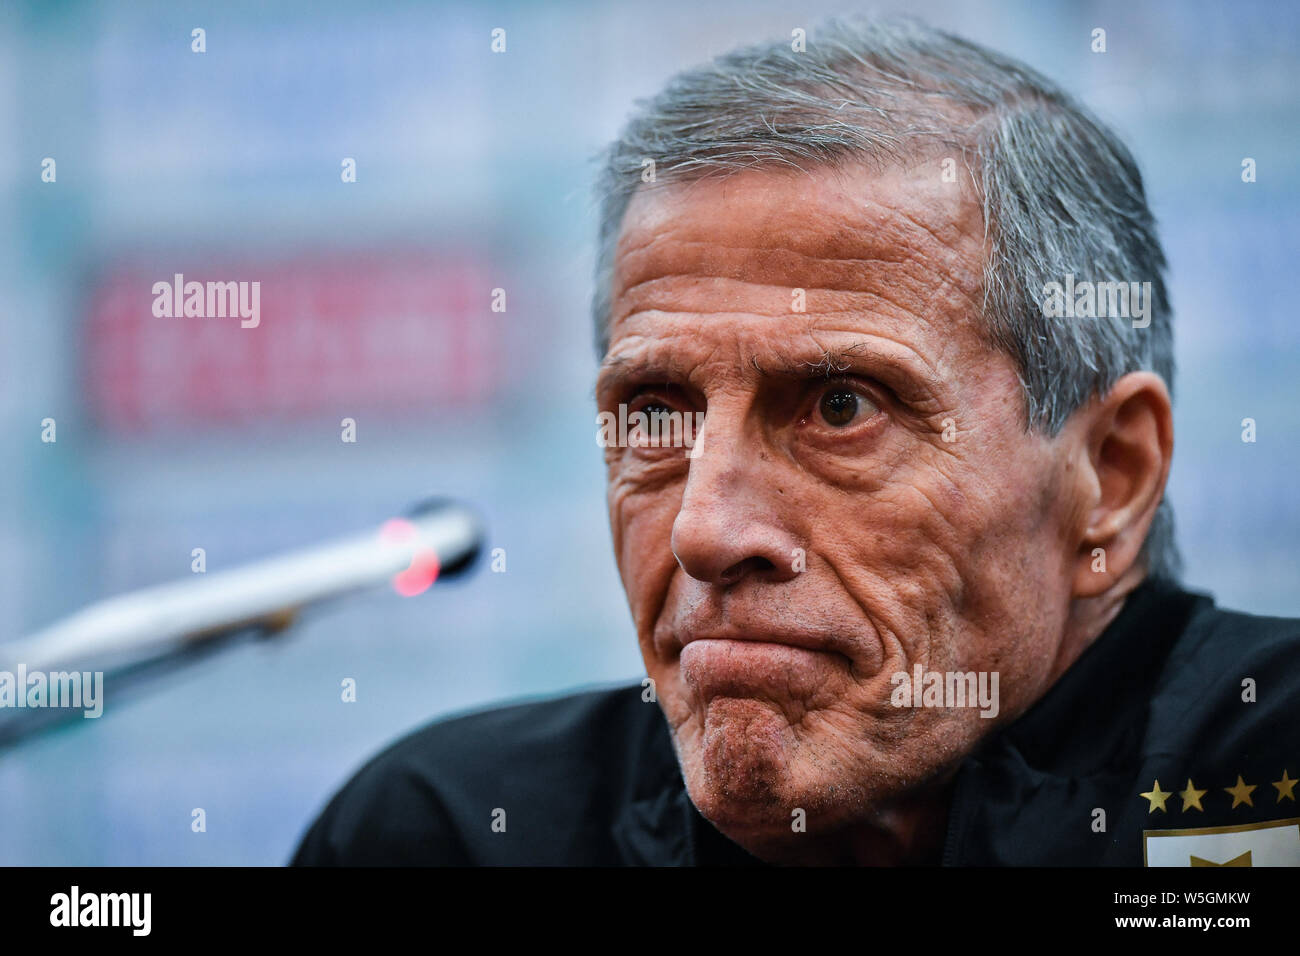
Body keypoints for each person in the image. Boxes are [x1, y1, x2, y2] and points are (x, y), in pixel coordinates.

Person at [292, 17, 1300, 867]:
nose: (704, 530)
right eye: (654, 414)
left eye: (839, 407)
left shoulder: (1265, 778)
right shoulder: (447, 833)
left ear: (1109, 475)